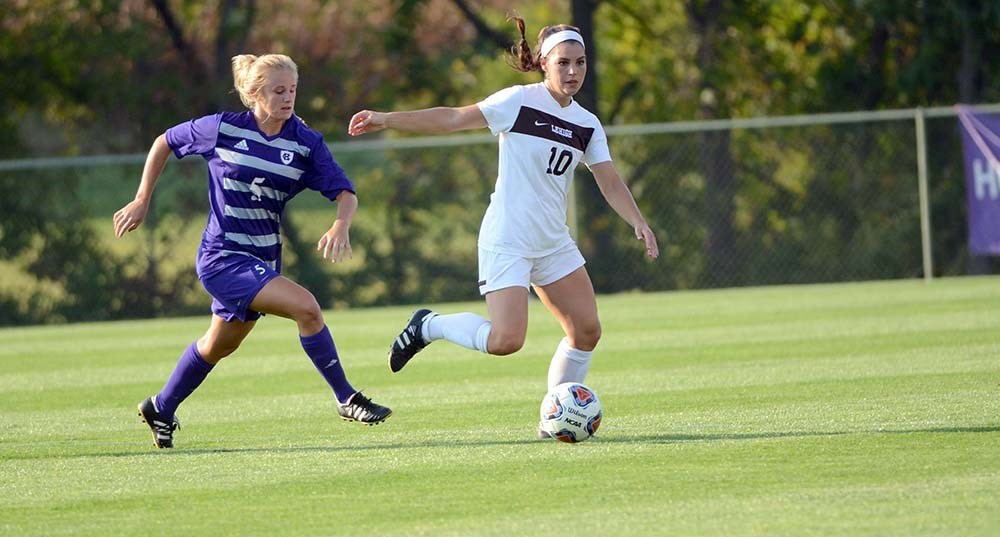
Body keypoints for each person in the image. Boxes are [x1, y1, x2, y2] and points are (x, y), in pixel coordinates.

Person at [347, 18, 659, 437]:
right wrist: (388, 119)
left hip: (552, 243)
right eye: (563, 62)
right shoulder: (519, 101)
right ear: (544, 64)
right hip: (508, 239)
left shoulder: (587, 124)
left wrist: (638, 220)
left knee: (587, 330)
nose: (573, 71)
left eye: (580, 63)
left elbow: (608, 178)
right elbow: (454, 119)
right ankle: (428, 325)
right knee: (505, 341)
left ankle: (555, 422)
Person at [116, 53, 392, 449]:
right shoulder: (222, 129)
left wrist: (340, 223)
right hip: (222, 258)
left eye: (292, 90)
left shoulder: (304, 142)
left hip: (263, 258)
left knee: (219, 345)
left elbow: (345, 193)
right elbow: (165, 141)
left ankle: (161, 406)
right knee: (307, 308)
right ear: (253, 94)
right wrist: (141, 199)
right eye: (278, 91)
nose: (287, 98)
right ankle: (346, 397)